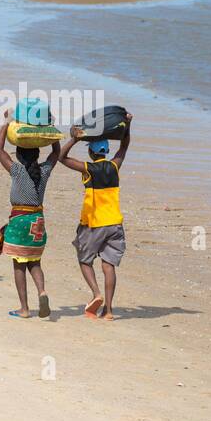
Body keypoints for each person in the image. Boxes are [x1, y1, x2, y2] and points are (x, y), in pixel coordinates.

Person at [59, 115, 132, 320]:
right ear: (106, 151)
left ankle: (96, 293)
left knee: (84, 260)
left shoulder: (88, 169)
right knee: (108, 266)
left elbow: (61, 158)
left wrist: (74, 139)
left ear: (91, 152)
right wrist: (127, 124)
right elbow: (124, 147)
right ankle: (108, 310)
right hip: (115, 224)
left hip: (93, 225)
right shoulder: (114, 166)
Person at [0, 111, 60, 319]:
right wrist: (51, 130)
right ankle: (42, 291)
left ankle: (24, 308)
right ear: (36, 155)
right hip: (38, 222)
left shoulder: (17, 171)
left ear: (19, 156)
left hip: (20, 221)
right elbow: (55, 154)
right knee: (35, 262)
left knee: (19, 264)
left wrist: (5, 122)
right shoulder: (44, 172)